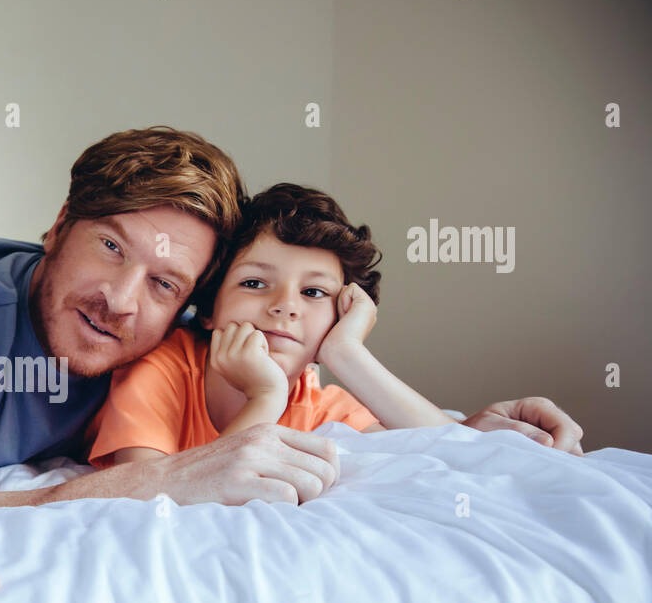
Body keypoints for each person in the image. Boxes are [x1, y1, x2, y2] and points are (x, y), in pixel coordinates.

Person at [0, 125, 585, 525]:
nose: (122, 302)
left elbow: (288, 354)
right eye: (109, 246)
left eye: (164, 282)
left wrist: (470, 433)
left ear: (193, 304)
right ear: (59, 225)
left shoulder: (191, 334)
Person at [86, 184, 454, 466]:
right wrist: (265, 398)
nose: (284, 306)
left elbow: (455, 450)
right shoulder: (161, 368)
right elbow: (151, 494)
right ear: (209, 306)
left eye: (313, 291)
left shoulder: (315, 402)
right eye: (254, 283)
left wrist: (347, 353)